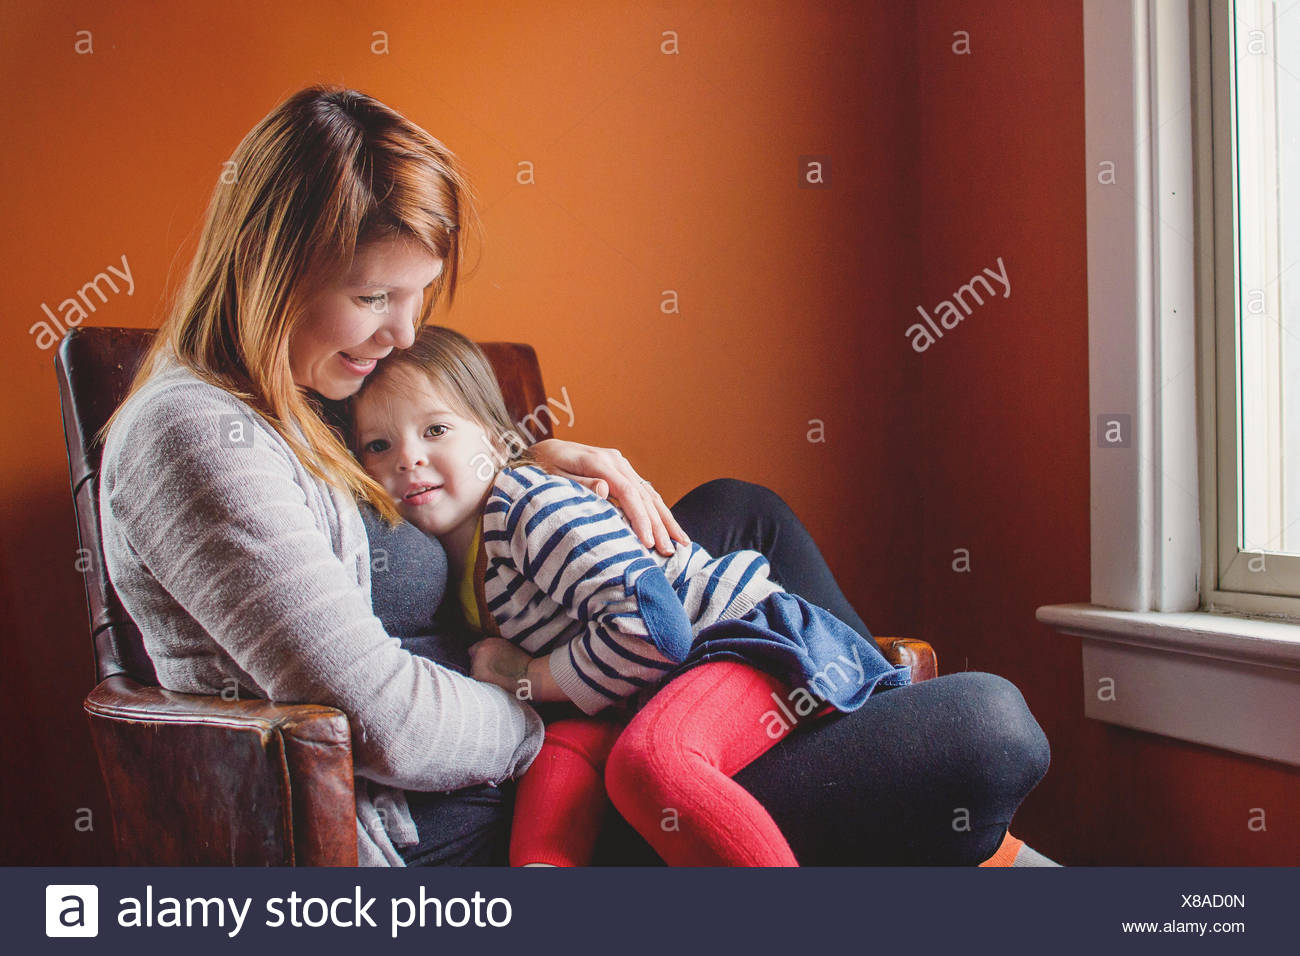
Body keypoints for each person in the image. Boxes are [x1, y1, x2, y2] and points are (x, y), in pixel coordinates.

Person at [96, 83, 1055, 867]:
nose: (400, 335)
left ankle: (830, 721)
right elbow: (384, 720)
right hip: (497, 808)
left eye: (417, 297)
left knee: (738, 512)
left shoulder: (304, 384)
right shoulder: (195, 439)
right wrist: (552, 702)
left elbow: (426, 475)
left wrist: (525, 464)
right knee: (986, 728)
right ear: (268, 264)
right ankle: (900, 783)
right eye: (373, 297)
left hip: (567, 691)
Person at [347, 325, 914, 866]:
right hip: (637, 686)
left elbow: (656, 627)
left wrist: (533, 673)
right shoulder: (458, 561)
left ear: (496, 440)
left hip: (733, 639)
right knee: (553, 765)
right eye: (378, 444)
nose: (407, 457)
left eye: (436, 430)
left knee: (652, 767)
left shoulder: (525, 503)